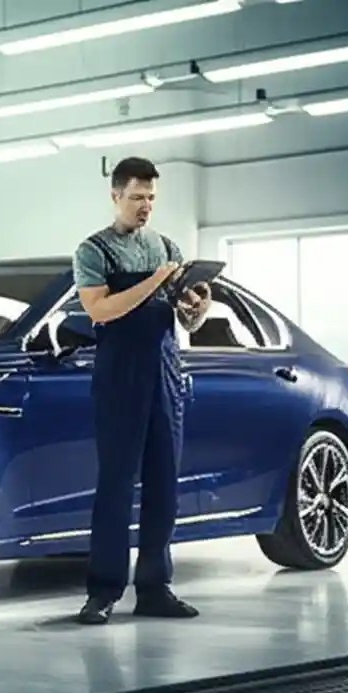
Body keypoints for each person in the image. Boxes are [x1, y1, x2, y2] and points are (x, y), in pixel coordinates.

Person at [71, 156, 212, 625]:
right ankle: (103, 591)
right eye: (136, 198)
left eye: (151, 198)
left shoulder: (166, 246)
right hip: (119, 377)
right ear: (115, 196)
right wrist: (156, 280)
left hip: (166, 374)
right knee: (115, 487)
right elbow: (101, 311)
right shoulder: (95, 251)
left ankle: (155, 587)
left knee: (164, 488)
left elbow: (184, 318)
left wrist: (198, 307)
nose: (145, 206)